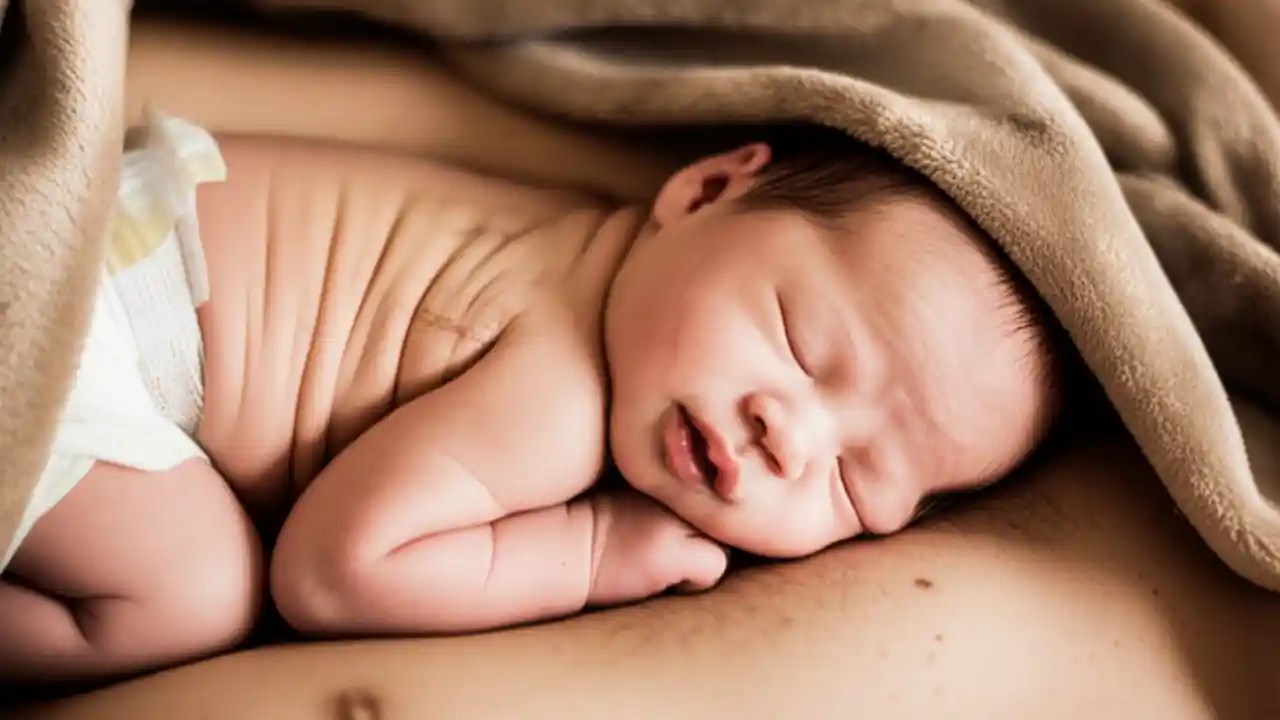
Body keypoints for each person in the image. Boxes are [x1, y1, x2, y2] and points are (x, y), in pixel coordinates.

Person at [0, 19, 1064, 680]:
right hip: (91, 314)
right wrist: (597, 551)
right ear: (699, 190)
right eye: (795, 339)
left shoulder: (583, 241)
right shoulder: (556, 394)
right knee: (197, 591)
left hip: (97, 220)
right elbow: (330, 572)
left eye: (852, 483)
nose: (788, 435)